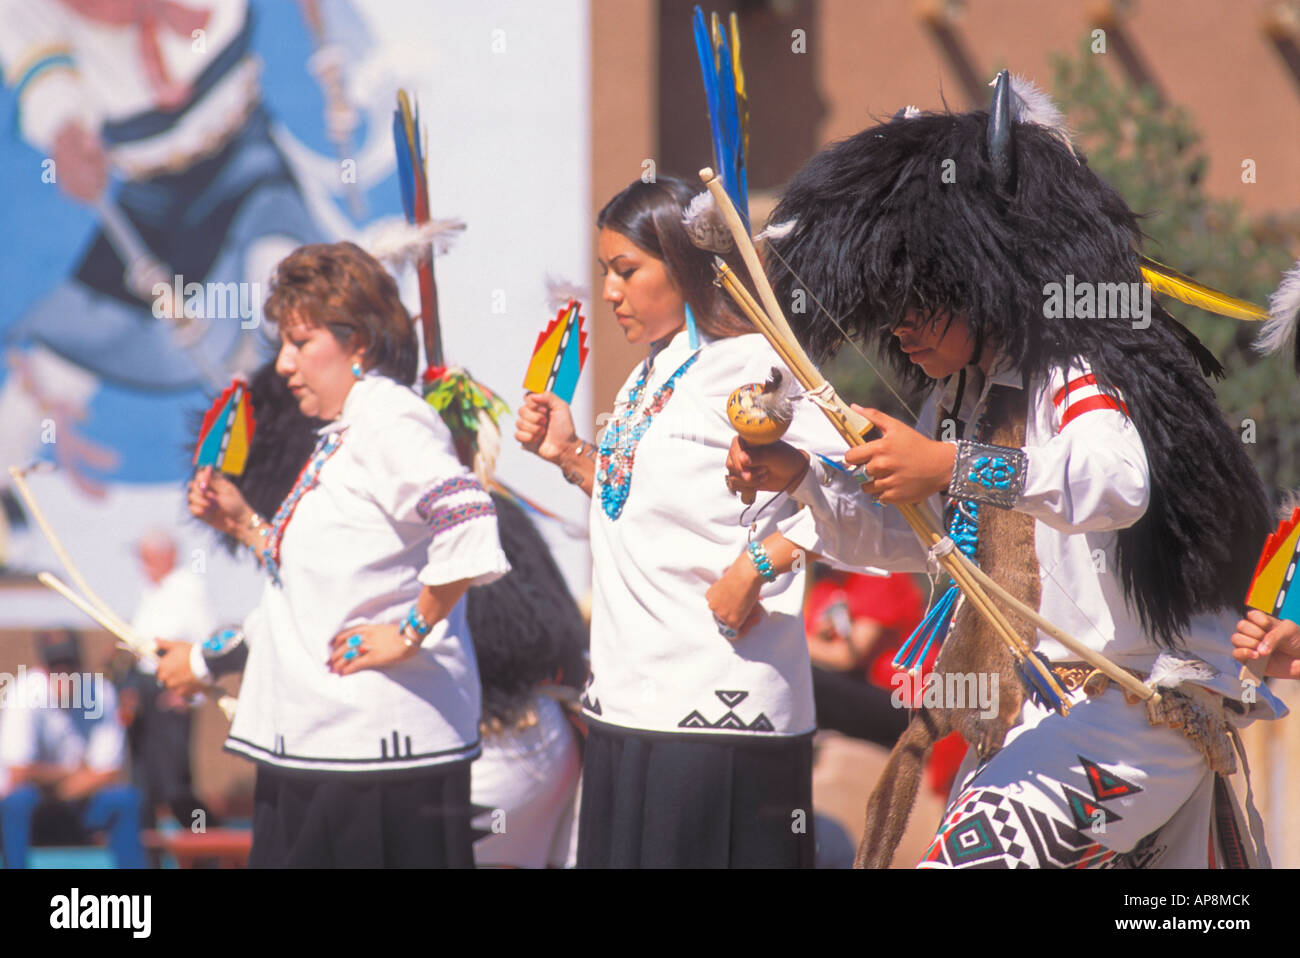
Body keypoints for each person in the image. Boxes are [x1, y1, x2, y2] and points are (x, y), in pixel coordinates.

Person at [727, 76, 1285, 868]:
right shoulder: (960, 393)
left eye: (919, 297)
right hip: (1042, 717)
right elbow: (916, 534)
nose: (901, 325)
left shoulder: (1077, 363)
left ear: (979, 273)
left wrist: (949, 462)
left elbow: (1118, 481)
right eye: (887, 303)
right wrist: (799, 475)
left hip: (1131, 711)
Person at [515, 175, 853, 868]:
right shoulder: (652, 374)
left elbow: (857, 491)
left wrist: (758, 564)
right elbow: (637, 504)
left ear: (687, 266)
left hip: (720, 712)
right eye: (606, 271)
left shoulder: (754, 366)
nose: (609, 291)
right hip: (628, 704)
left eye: (626, 270)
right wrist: (573, 453)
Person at [159, 241, 510, 867]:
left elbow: (468, 517)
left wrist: (408, 632)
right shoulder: (346, 432)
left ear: (360, 342)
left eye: (301, 342)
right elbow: (324, 587)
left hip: (376, 760)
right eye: (283, 344)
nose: (286, 364)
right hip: (327, 749)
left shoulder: (389, 418)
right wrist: (244, 525)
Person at [0, 631, 145, 869]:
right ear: (42, 668)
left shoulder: (100, 692)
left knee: (126, 800)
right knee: (18, 801)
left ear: (80, 665)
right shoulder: (24, 691)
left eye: (69, 666)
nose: (63, 675)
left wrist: (49, 781)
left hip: (78, 805)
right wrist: (73, 772)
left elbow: (108, 773)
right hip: (33, 808)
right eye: (55, 667)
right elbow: (17, 774)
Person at [119, 529, 216, 830]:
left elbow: (205, 643)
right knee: (143, 787)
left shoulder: (187, 590)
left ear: (168, 557)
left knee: (175, 787)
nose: (143, 567)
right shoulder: (152, 593)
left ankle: (210, 848)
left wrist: (189, 694)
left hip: (170, 691)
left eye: (148, 559)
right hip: (144, 690)